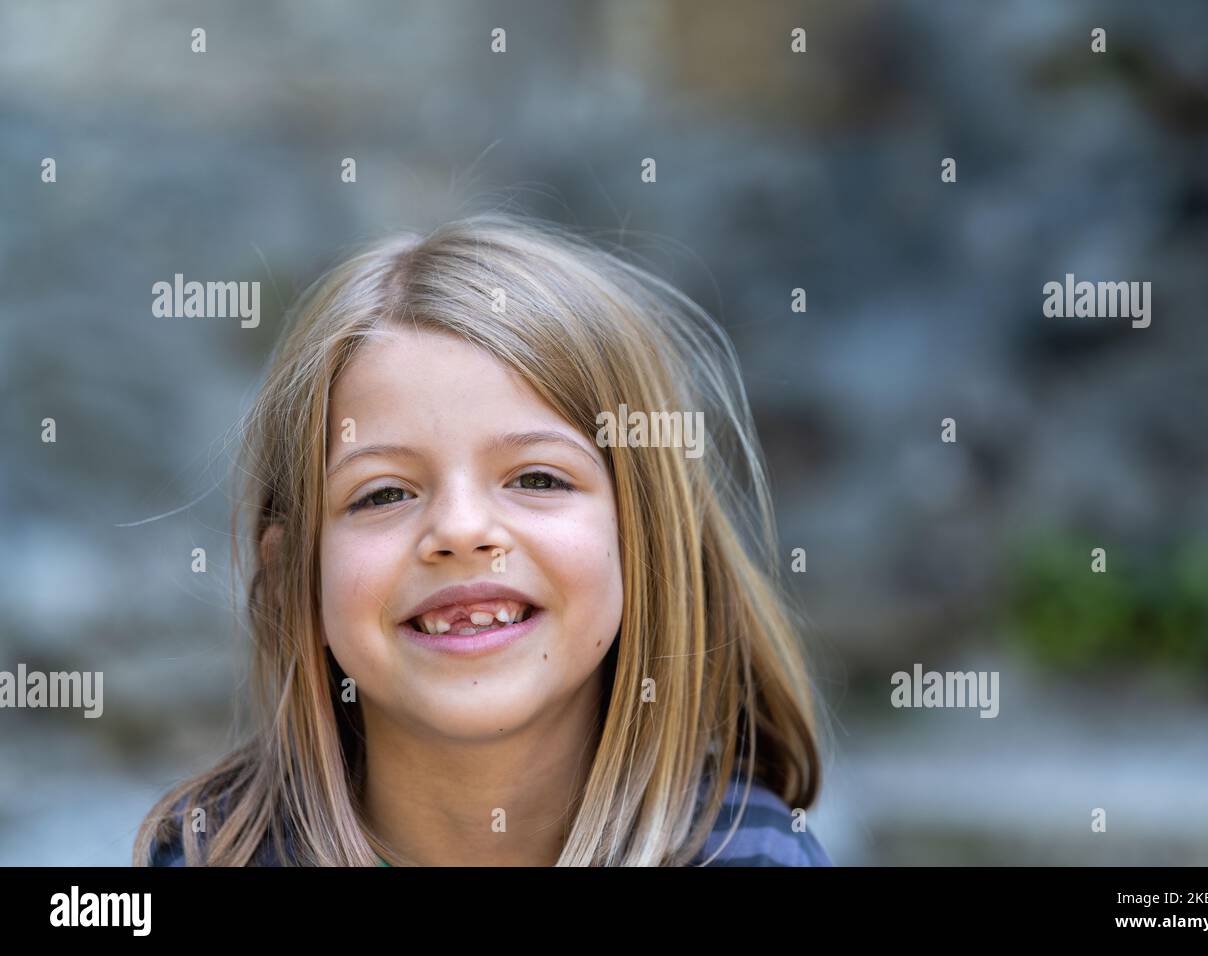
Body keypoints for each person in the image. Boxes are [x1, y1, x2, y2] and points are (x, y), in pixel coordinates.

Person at [135, 211, 834, 866]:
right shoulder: (211, 853)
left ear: (646, 541)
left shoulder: (753, 854)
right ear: (296, 579)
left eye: (537, 478)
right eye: (382, 493)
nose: (463, 531)